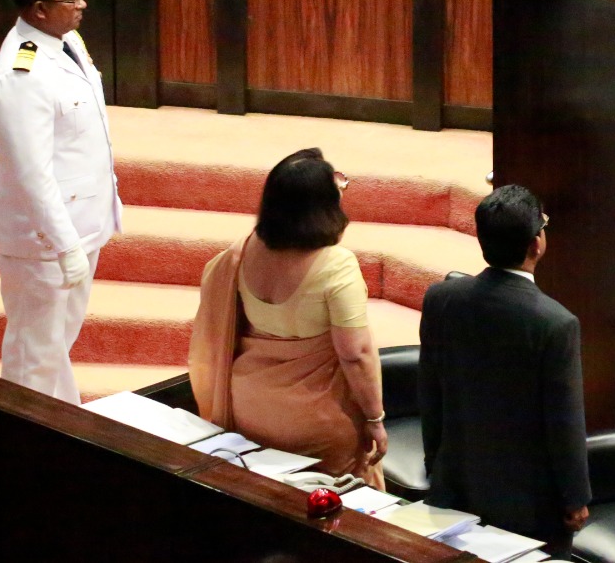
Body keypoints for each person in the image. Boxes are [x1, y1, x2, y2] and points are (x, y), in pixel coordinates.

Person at [188, 148, 386, 488]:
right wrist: (375, 419)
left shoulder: (243, 250)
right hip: (317, 422)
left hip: (248, 409)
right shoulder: (336, 265)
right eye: (337, 184)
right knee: (339, 509)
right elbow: (355, 355)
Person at [0, 0, 122, 403]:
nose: (82, 5)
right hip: (40, 242)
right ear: (39, 9)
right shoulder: (21, 76)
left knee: (56, 343)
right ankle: (23, 451)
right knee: (34, 354)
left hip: (81, 225)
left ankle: (60, 428)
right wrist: (65, 246)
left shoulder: (67, 42)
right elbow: (30, 175)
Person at [420, 185, 590, 551]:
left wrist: (434, 462)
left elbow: (430, 389)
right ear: (536, 244)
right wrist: (575, 497)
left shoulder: (440, 299)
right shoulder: (556, 323)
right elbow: (563, 421)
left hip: (454, 482)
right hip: (529, 507)